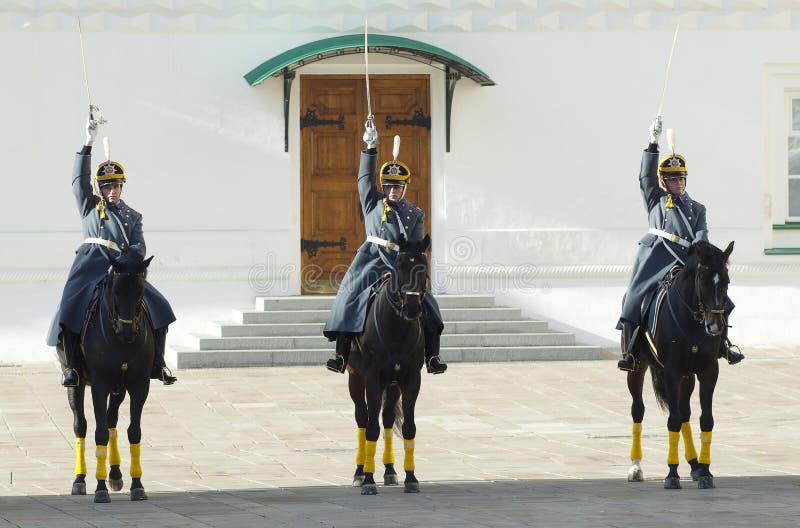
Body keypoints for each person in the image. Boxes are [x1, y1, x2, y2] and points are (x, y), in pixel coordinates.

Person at [46, 113, 177, 386]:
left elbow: (140, 246)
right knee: (68, 308)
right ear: (100, 189)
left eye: (116, 186)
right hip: (88, 265)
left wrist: (128, 258)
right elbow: (77, 182)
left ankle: (158, 363)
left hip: (120, 268)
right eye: (107, 187)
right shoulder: (89, 206)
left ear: (122, 186)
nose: (112, 191)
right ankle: (71, 367)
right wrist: (88, 143)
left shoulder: (133, 216)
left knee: (160, 307)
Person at [617, 116, 744, 371]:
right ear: (664, 181)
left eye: (681, 178)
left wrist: (703, 254)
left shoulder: (697, 208)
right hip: (656, 256)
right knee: (633, 298)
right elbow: (645, 177)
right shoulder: (655, 198)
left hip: (686, 256)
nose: (679, 183)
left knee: (721, 298)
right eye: (673, 179)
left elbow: (701, 235)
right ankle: (631, 352)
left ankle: (723, 344)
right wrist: (653, 143)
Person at [323, 118, 447, 375]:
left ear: (404, 188)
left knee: (429, 304)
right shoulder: (373, 203)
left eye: (397, 187)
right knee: (349, 296)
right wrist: (370, 147)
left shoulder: (415, 214)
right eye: (389, 186)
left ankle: (432, 356)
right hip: (371, 260)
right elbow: (364, 179)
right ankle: (341, 355)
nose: (392, 190)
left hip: (400, 263)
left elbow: (415, 244)